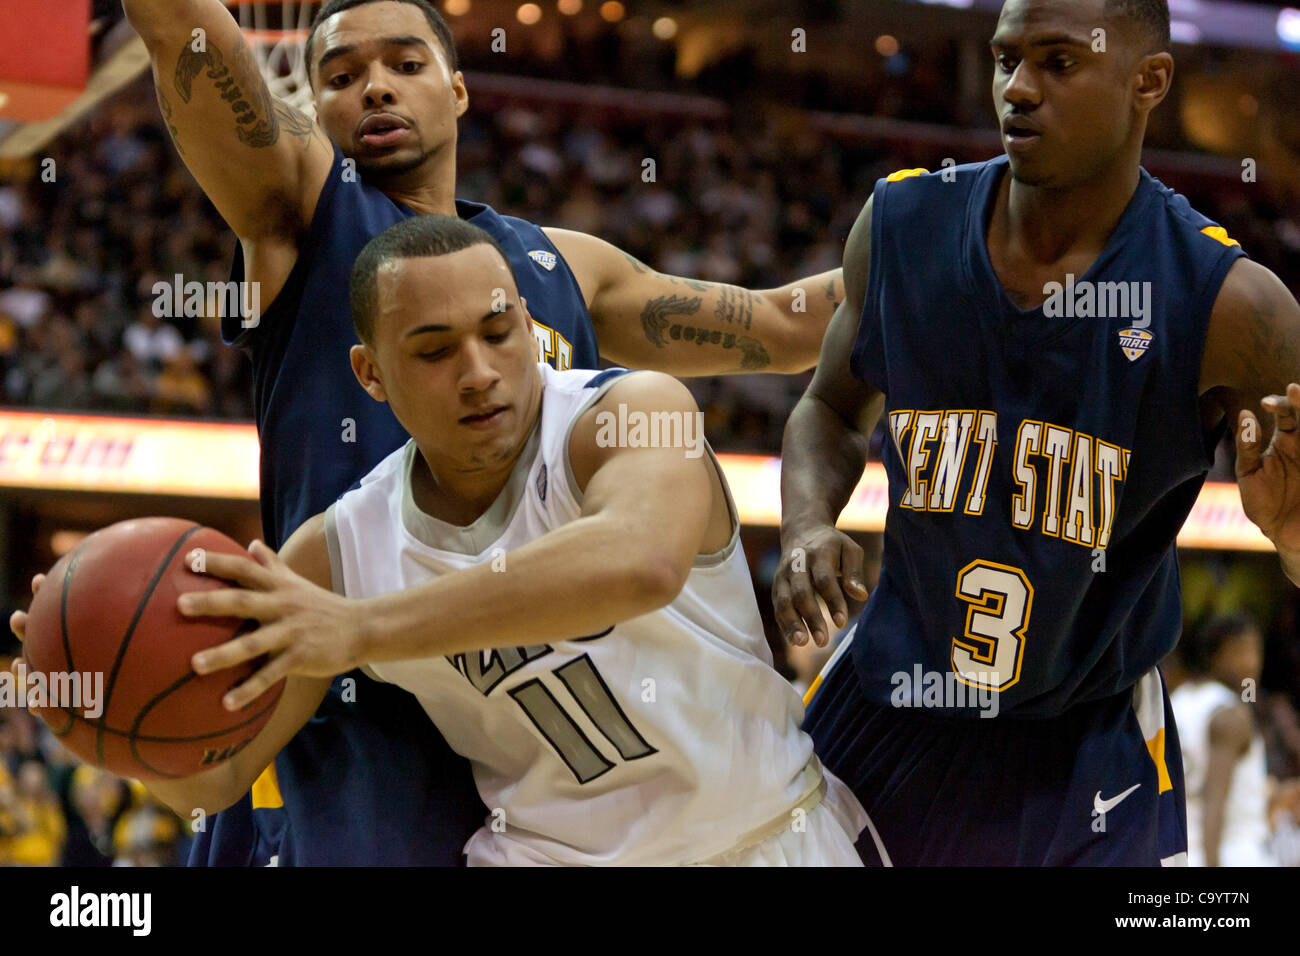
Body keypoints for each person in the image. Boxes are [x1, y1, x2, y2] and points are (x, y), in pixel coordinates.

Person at [116, 0, 843, 865]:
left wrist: (934, 238)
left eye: (405, 64)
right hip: (356, 706)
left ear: (459, 90)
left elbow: (780, 325)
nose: (375, 87)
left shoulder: (556, 262)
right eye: (342, 78)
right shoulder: (304, 213)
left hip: (536, 716)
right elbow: (182, 35)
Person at [772, 0, 1300, 865]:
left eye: (1058, 63)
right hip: (890, 702)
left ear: (1149, 82)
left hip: (1087, 752)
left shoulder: (1234, 307)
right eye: (1006, 58)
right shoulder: (903, 228)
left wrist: (1291, 535)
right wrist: (803, 526)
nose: (1018, 89)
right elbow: (829, 410)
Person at [1171, 613, 1275, 866]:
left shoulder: (1177, 700)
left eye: (1255, 651)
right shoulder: (1231, 714)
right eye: (1239, 652)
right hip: (1230, 852)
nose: (1251, 662)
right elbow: (1214, 799)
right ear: (1214, 656)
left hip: (1179, 850)